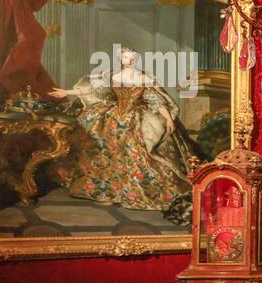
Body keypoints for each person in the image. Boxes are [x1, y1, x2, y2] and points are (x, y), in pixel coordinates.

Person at [50, 48, 193, 213]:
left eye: (132, 57)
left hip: (136, 120)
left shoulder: (144, 78)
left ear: (136, 59)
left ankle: (137, 191)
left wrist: (168, 118)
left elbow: (156, 101)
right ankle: (111, 191)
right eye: (126, 57)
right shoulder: (112, 76)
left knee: (137, 152)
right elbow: (93, 90)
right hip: (114, 120)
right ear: (121, 59)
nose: (129, 60)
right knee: (107, 152)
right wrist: (67, 92)